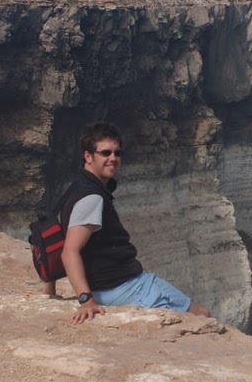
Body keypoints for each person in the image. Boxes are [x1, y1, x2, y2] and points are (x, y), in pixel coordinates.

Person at [57, 122, 212, 326]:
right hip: (124, 286)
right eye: (105, 153)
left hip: (115, 284)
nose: (113, 158)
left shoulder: (76, 188)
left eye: (117, 153)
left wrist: (49, 288)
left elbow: (55, 235)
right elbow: (69, 251)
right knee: (202, 315)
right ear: (88, 156)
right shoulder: (92, 197)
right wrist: (86, 301)